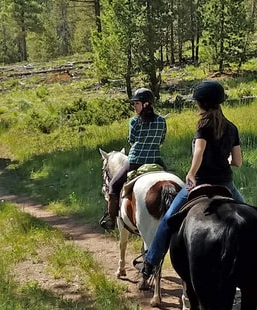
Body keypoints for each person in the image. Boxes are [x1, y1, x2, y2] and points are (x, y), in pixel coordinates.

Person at [137, 80, 243, 288]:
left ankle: (150, 263)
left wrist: (191, 173)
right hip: (226, 184)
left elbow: (199, 151)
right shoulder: (232, 128)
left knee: (168, 220)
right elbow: (237, 161)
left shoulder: (203, 126)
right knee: (252, 215)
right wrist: (227, 160)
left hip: (200, 184)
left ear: (201, 104)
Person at [99, 88, 168, 231]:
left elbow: (131, 140)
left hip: (135, 160)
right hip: (155, 160)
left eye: (136, 103)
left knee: (112, 187)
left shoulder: (134, 121)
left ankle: (111, 220)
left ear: (146, 104)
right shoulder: (162, 121)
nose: (134, 106)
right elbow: (161, 140)